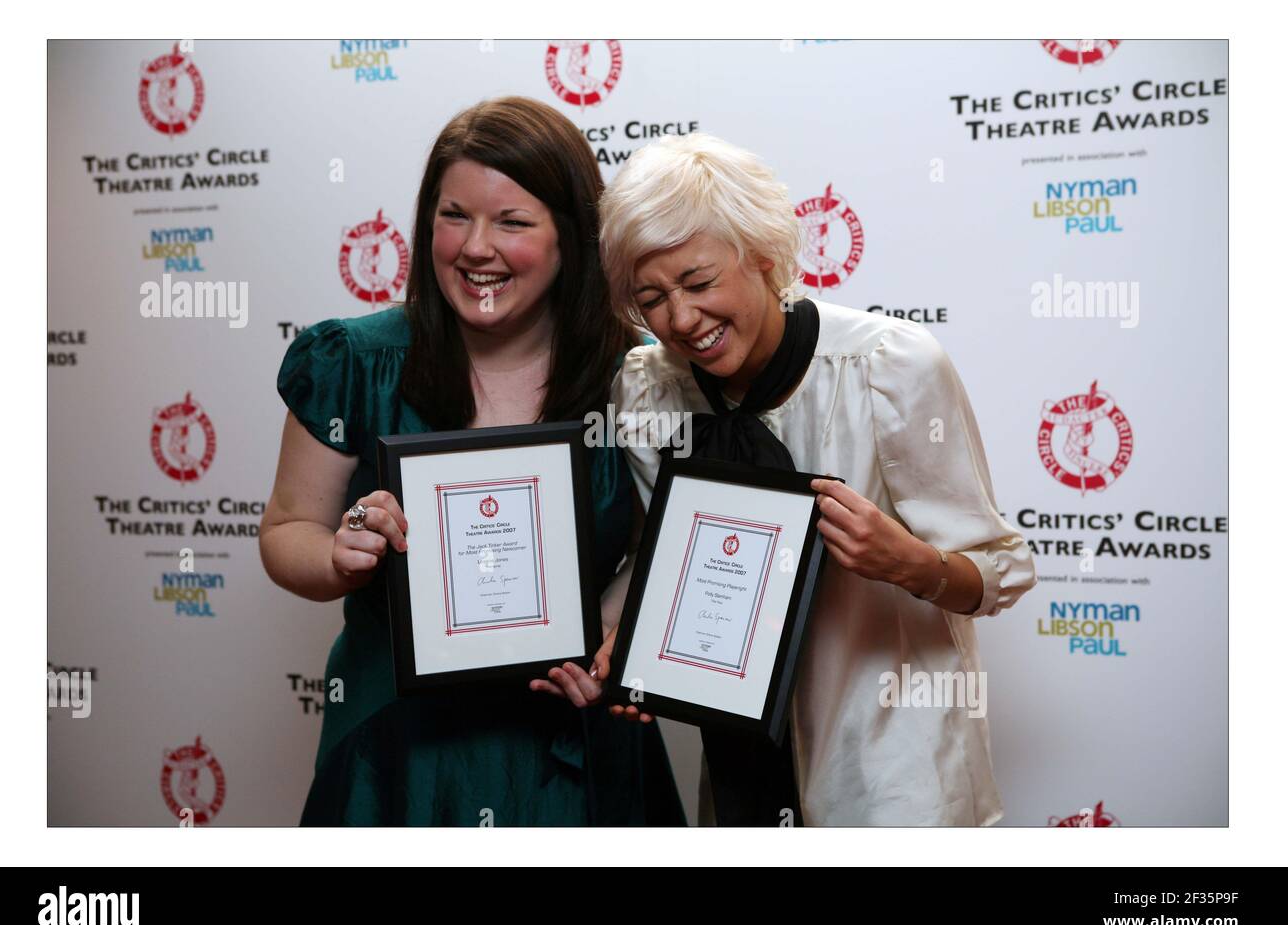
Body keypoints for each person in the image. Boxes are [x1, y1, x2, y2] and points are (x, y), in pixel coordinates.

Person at [535, 132, 1036, 826]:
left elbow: (1002, 568)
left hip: (891, 771)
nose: (680, 319)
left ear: (764, 256)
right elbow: (658, 555)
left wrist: (911, 562)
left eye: (699, 282)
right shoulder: (648, 390)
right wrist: (612, 639)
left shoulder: (887, 367)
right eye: (651, 298)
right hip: (740, 759)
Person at [259, 96, 685, 826]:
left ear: (571, 238)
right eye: (454, 215)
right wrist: (342, 552)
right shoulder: (354, 363)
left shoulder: (642, 377)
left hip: (573, 733)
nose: (475, 248)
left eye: (513, 222)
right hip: (397, 747)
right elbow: (286, 529)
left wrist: (610, 641)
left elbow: (658, 546)